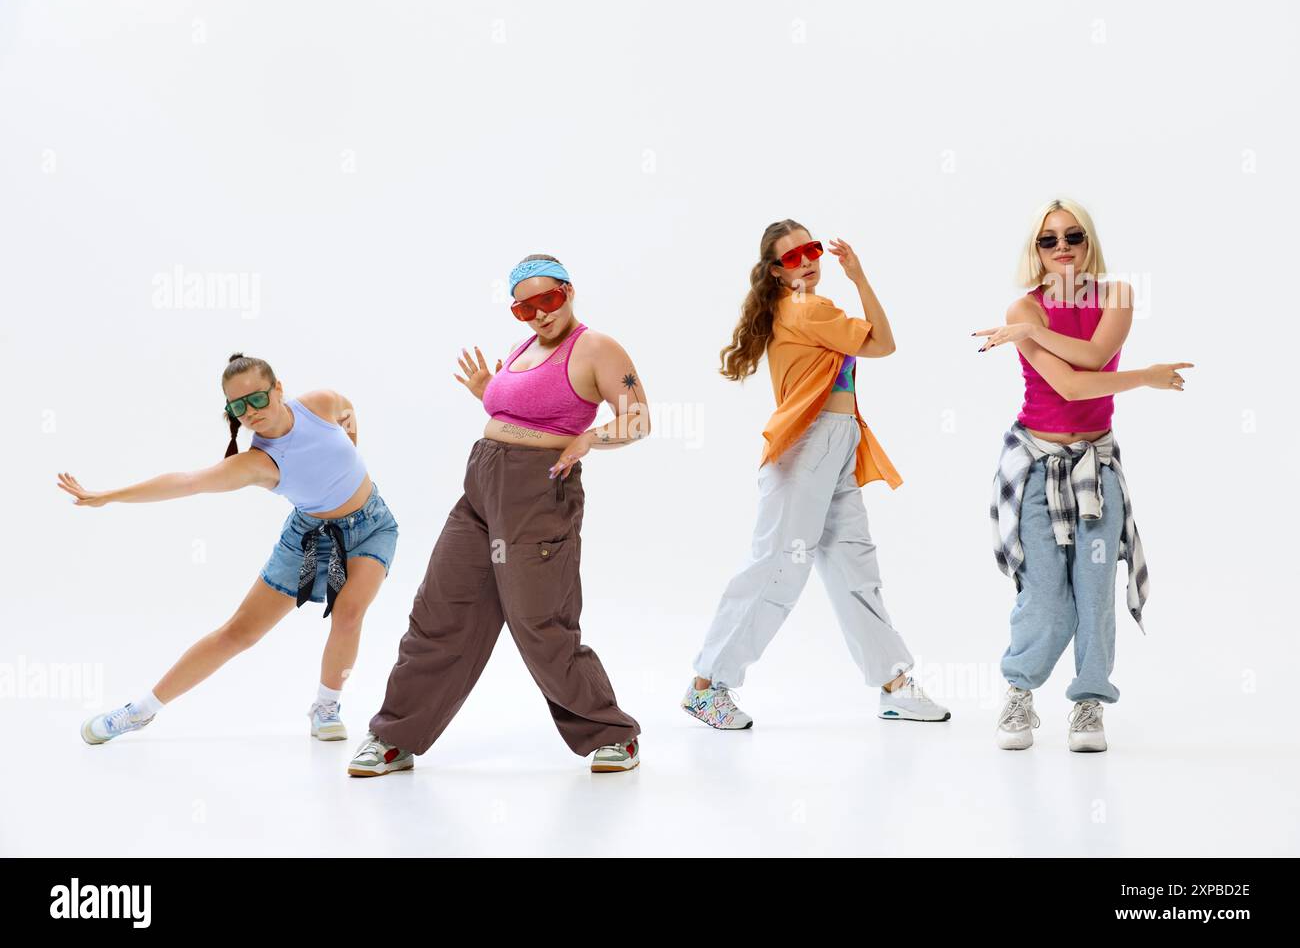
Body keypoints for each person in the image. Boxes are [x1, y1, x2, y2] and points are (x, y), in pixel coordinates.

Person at [348, 255, 647, 777]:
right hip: (481, 490)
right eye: (524, 308)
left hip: (539, 492)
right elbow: (514, 413)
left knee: (540, 621)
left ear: (568, 291)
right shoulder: (523, 348)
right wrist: (486, 390)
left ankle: (612, 735)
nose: (538, 315)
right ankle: (394, 738)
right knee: (438, 611)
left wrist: (591, 438)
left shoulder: (596, 347)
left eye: (547, 301)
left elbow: (638, 419)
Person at [684, 219, 951, 730]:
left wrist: (855, 278)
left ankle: (893, 684)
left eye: (811, 249)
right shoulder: (808, 307)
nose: (806, 260)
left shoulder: (798, 308)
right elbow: (884, 343)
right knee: (776, 564)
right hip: (810, 444)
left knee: (854, 563)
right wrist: (860, 279)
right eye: (792, 257)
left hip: (837, 437)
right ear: (776, 271)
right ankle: (707, 685)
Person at [65, 352, 398, 745]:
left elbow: (347, 409)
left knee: (349, 611)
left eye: (257, 398)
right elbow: (187, 481)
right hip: (309, 539)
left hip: (372, 525)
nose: (250, 411)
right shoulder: (257, 463)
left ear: (278, 389)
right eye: (237, 406)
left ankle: (326, 706)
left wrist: (351, 446)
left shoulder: (320, 403)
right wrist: (111, 496)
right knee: (238, 633)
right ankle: (140, 710)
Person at [973, 198, 1192, 751]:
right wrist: (1145, 377)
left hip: (1097, 465)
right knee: (1045, 594)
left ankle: (1089, 704)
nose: (1062, 247)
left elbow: (1094, 358)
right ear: (1037, 250)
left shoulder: (1116, 296)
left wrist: (1029, 336)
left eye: (1073, 236)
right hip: (1036, 465)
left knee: (1095, 590)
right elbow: (1069, 387)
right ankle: (1020, 693)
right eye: (1049, 240)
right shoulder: (1023, 309)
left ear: (1089, 241)